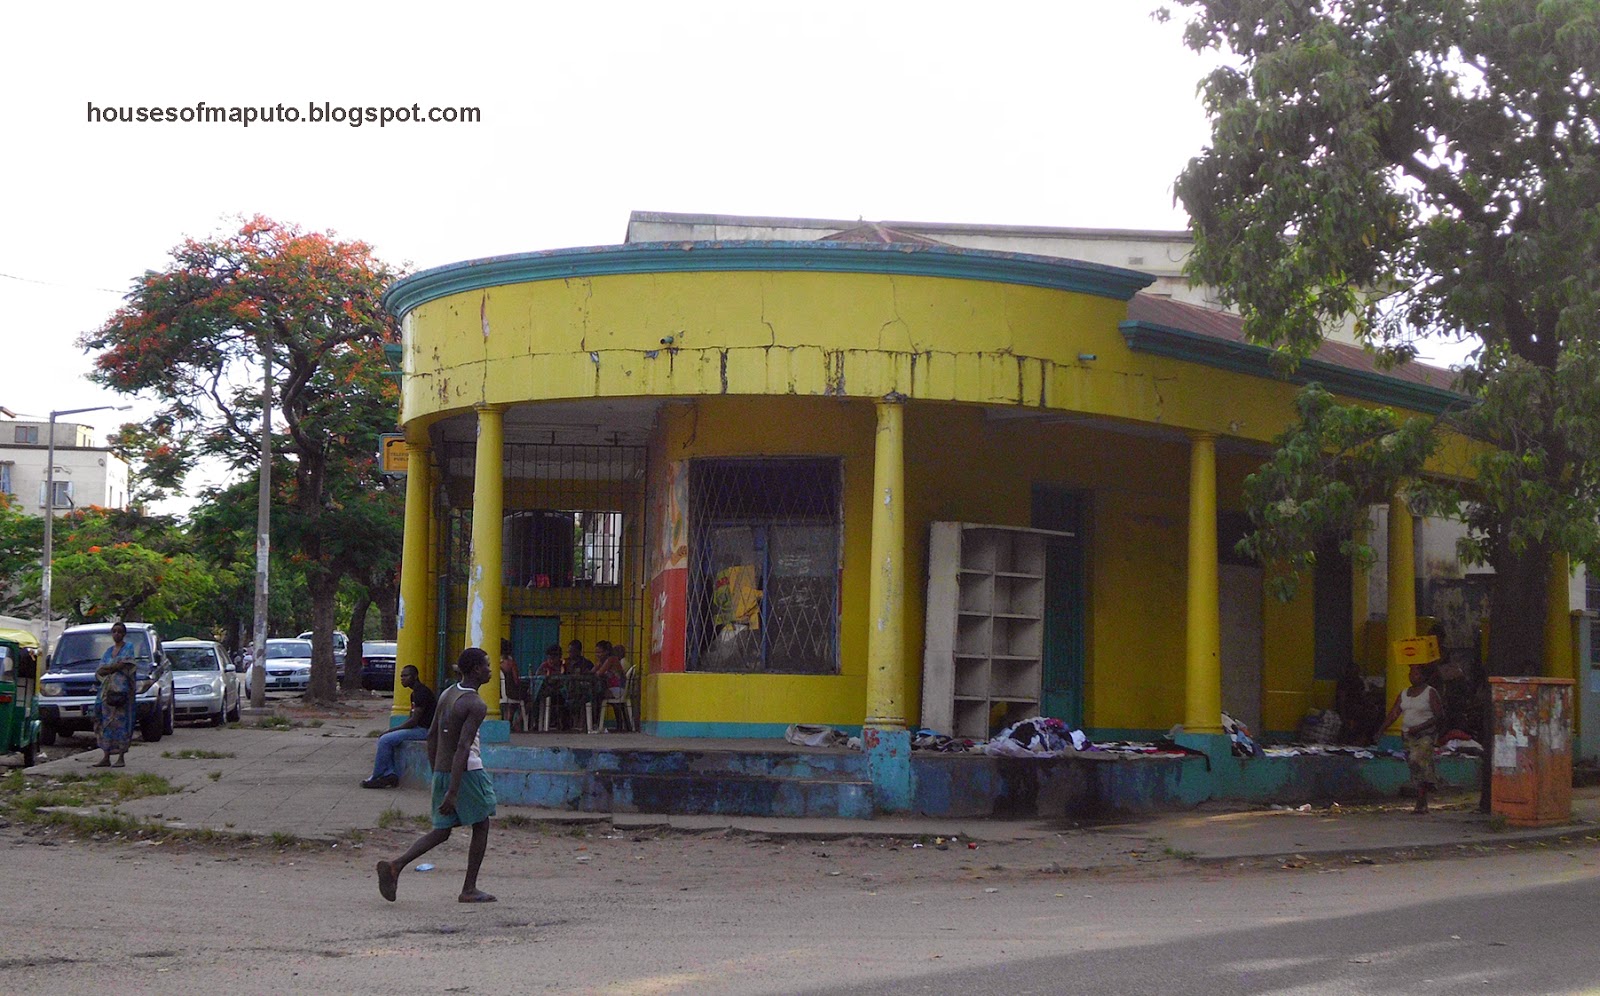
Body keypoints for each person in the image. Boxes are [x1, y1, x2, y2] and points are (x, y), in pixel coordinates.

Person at [377, 647, 497, 904]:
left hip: (443, 770)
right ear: (476, 669)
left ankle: (395, 865)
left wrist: (437, 774)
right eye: (487, 665)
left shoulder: (448, 693)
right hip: (467, 773)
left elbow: (432, 736)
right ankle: (469, 888)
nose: (490, 669)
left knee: (442, 831)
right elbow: (463, 748)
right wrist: (453, 790)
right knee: (482, 823)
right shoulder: (475, 704)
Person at [1381, 663, 1445, 814]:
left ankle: (1431, 782)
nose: (1412, 676)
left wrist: (1419, 727)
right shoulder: (1404, 693)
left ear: (1423, 676)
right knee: (1414, 767)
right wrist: (1381, 730)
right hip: (1408, 736)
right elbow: (1394, 713)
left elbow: (1439, 715)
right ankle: (1421, 800)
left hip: (1425, 735)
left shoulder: (1430, 692)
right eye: (1410, 673)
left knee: (1417, 759)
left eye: (1416, 673)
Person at [361, 665, 436, 789]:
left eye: (406, 676)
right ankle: (389, 774)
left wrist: (392, 730)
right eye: (401, 676)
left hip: (425, 731)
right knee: (387, 739)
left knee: (385, 739)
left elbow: (414, 721)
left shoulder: (421, 692)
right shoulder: (415, 693)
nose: (402, 679)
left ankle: (377, 776)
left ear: (415, 676)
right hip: (418, 728)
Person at [93, 621, 138, 768]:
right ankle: (106, 756)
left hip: (122, 692)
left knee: (121, 723)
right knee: (106, 722)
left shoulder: (128, 648)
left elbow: (125, 664)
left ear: (124, 634)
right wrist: (113, 667)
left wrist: (111, 668)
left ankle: (121, 757)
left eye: (119, 632)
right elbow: (101, 669)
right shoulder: (108, 651)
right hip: (107, 692)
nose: (116, 634)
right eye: (114, 631)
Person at [593, 643, 631, 732]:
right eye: (596, 652)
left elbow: (599, 674)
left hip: (618, 689)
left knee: (596, 695)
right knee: (597, 694)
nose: (597, 655)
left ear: (606, 652)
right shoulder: (602, 661)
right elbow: (593, 671)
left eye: (600, 652)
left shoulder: (611, 659)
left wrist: (598, 668)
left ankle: (595, 723)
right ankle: (595, 723)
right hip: (613, 689)